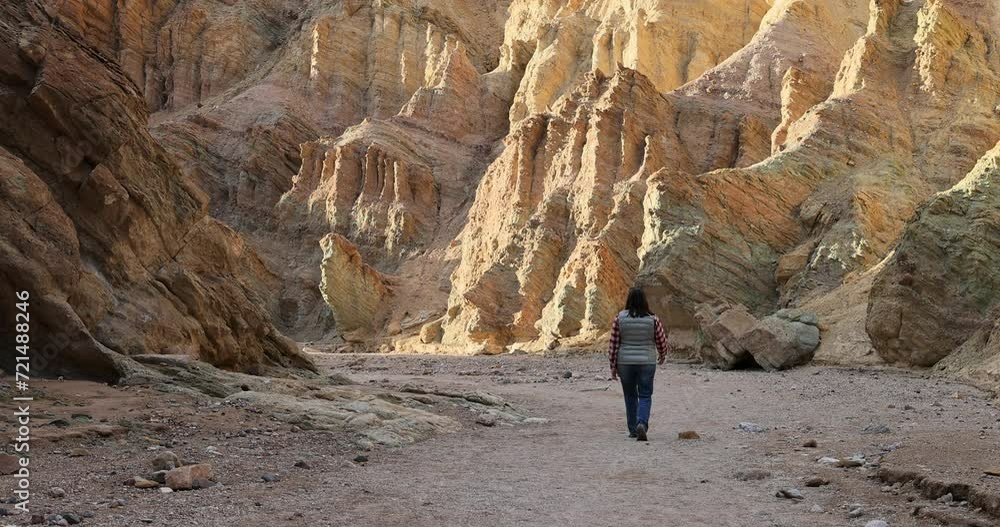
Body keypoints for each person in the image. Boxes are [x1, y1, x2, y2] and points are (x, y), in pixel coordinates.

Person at [608, 286, 668, 441]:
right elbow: (661, 340)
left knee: (630, 395)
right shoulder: (653, 319)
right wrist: (662, 355)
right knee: (645, 394)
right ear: (644, 301)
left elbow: (613, 344)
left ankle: (633, 429)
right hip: (647, 362)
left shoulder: (619, 318)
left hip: (625, 362)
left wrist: (613, 366)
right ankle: (642, 423)